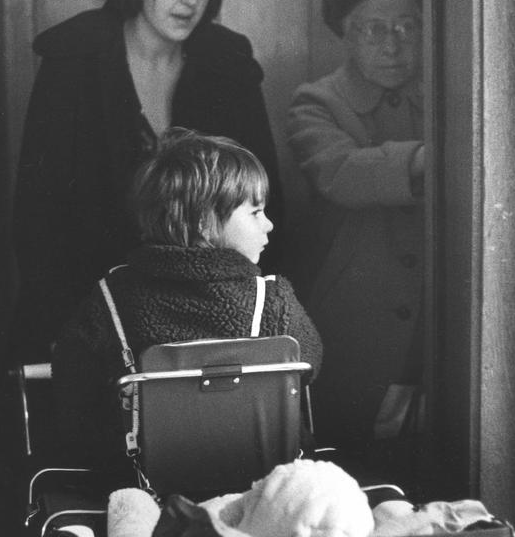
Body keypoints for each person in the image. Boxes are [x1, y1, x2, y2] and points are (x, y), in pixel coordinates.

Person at [10, 0, 283, 364]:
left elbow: (267, 199)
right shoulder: (73, 62)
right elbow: (38, 214)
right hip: (92, 311)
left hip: (209, 315)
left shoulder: (228, 64)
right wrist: (64, 328)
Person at [52, 129, 321, 489]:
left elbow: (74, 392)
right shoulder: (272, 300)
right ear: (203, 223)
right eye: (256, 211)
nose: (269, 224)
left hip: (140, 484)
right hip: (260, 483)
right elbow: (310, 367)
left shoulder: (110, 301)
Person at [286, 0, 424, 456]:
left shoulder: (453, 96)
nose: (393, 44)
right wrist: (437, 158)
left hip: (438, 326)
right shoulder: (317, 102)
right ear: (345, 35)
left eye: (407, 27)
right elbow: (342, 175)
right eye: (373, 29)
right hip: (354, 323)